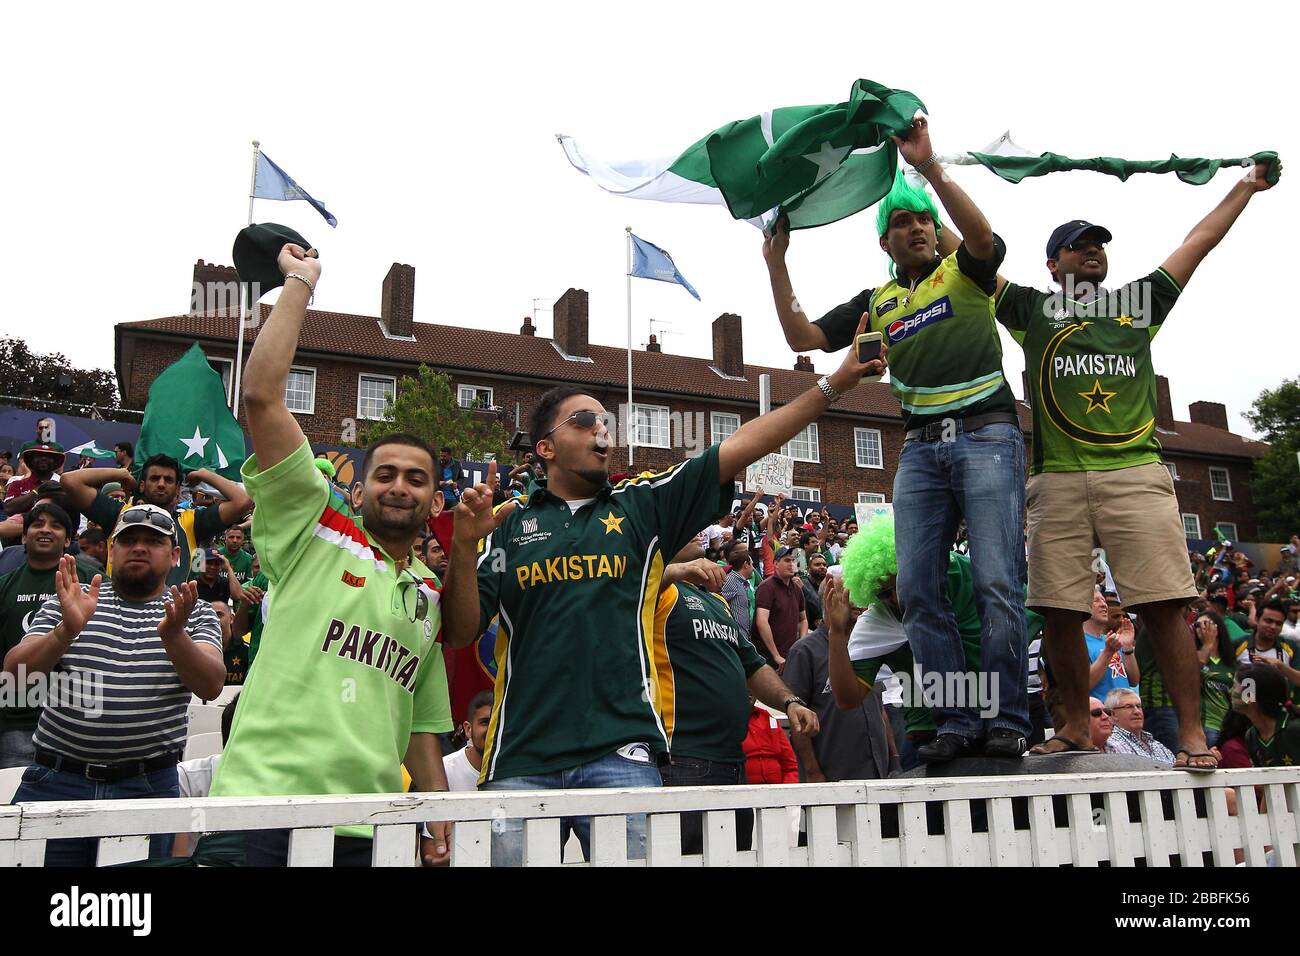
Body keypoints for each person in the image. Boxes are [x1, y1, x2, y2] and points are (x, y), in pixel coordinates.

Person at [440, 331, 885, 865]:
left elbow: (743, 445)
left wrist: (832, 385)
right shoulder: (508, 526)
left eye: (606, 421)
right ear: (545, 447)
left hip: (622, 756)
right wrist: (464, 549)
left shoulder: (641, 505)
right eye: (584, 421)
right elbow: (463, 631)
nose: (602, 430)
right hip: (519, 758)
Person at [993, 161, 1278, 772]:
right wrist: (925, 169)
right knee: (1059, 610)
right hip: (1059, 477)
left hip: (1137, 472)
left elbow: (1196, 243)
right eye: (1078, 244)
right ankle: (1072, 725)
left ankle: (1193, 736)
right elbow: (968, 251)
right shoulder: (1031, 310)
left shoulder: (1138, 304)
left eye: (1099, 244)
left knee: (1166, 604)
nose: (1092, 251)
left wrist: (1245, 187)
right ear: (1053, 265)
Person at [764, 116, 1030, 761]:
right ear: (885, 240)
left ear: (938, 231)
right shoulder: (876, 302)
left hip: (988, 434)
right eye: (902, 224)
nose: (916, 230)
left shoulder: (967, 271)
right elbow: (801, 338)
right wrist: (777, 262)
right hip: (919, 449)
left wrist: (932, 167)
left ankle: (1009, 715)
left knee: (997, 580)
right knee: (917, 590)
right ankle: (955, 719)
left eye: (924, 222)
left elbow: (983, 236)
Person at [204, 241, 454, 867]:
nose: (399, 485)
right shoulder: (313, 523)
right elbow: (261, 397)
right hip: (261, 810)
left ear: (433, 499)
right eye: (386, 473)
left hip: (371, 831)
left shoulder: (427, 593)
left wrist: (438, 816)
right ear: (361, 486)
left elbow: (424, 725)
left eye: (416, 479)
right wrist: (300, 284)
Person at [4, 505, 225, 865]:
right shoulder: (73, 601)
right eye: (129, 540)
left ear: (174, 556)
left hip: (147, 787)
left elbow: (211, 684)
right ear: (111, 550)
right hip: (57, 781)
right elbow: (15, 675)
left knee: (130, 911)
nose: (139, 547)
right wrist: (66, 630)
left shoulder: (192, 612)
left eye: (153, 541)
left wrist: (173, 636)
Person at [654, 556, 818, 855]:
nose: (700, 535)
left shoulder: (718, 601)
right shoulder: (664, 590)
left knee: (734, 857)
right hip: (682, 758)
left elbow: (752, 664)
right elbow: (628, 585)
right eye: (692, 531)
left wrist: (789, 702)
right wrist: (674, 571)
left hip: (733, 760)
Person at [0, 505, 101, 768]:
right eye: (38, 524)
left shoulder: (94, 583)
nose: (45, 529)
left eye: (56, 525)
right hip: (17, 718)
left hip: (78, 716)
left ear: (69, 540)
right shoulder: (4, 586)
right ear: (23, 537)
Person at [62, 455, 251, 587]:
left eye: (168, 480)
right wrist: (121, 473)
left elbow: (242, 500)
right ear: (142, 485)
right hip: (119, 613)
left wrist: (204, 474)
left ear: (178, 489)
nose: (161, 483)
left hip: (169, 620)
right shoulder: (120, 515)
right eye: (154, 478)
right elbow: (70, 481)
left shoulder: (191, 522)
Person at [788, 574, 892, 782]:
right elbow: (797, 721)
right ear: (828, 597)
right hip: (832, 776)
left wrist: (894, 757)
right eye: (846, 593)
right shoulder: (804, 651)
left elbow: (879, 708)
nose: (856, 600)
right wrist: (812, 772)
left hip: (877, 775)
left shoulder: (867, 646)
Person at [1232, 664, 1300, 768]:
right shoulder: (1251, 736)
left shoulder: (1295, 729)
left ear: (1250, 695)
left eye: (1235, 686)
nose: (1230, 691)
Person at [753, 546, 807, 670]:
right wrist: (776, 655)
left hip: (790, 655)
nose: (792, 564)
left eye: (794, 561)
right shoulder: (766, 587)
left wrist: (801, 644)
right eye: (787, 560)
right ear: (776, 564)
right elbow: (762, 622)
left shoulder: (797, 589)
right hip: (768, 657)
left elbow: (803, 619)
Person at [1083, 588, 1139, 701]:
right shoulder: (1080, 643)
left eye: (1103, 600)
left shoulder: (1110, 640)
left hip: (1125, 709)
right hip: (1102, 713)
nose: (1103, 605)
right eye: (1096, 601)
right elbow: (1084, 685)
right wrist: (1108, 652)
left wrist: (1127, 648)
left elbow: (1134, 680)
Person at [1193, 610, 1236, 748]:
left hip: (1228, 728)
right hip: (1205, 726)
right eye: (1197, 625)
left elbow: (1249, 698)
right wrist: (1208, 645)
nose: (1201, 628)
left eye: (1206, 624)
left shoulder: (1233, 664)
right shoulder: (1194, 658)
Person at [1235, 600, 1300, 686]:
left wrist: (1280, 665)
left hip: (1280, 698)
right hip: (1245, 697)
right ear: (1257, 620)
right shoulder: (1238, 644)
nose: (1273, 627)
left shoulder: (1291, 647)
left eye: (1278, 623)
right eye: (1268, 621)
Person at [1103, 689, 1175, 765]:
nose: (1137, 712)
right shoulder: (1112, 745)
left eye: (1139, 706)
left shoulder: (1158, 746)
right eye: (1129, 707)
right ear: (1113, 714)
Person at [2, 440, 65, 516]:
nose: (43, 458)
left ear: (55, 462)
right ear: (31, 461)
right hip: (21, 526)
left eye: (48, 456)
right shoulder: (17, 483)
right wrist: (39, 490)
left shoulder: (63, 484)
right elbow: (9, 509)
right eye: (39, 456)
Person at [719, 549, 755, 642]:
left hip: (742, 637)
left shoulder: (742, 582)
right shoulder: (731, 580)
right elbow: (718, 603)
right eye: (752, 564)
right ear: (746, 565)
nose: (753, 568)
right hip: (734, 638)